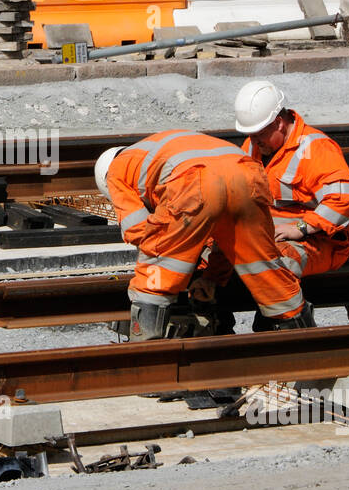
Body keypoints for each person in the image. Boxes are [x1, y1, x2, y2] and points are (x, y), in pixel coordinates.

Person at [95, 132, 314, 341]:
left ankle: (146, 351)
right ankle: (307, 346)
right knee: (263, 267)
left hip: (194, 179)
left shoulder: (115, 170)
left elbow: (139, 231)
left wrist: (173, 255)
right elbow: (228, 241)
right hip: (247, 174)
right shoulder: (158, 146)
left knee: (153, 276)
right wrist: (212, 278)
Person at [234, 80, 349, 282]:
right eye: (250, 135)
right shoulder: (252, 145)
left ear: (279, 123)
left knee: (272, 265)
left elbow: (343, 200)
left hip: (319, 241)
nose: (254, 141)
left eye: (259, 134)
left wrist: (300, 228)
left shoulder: (315, 149)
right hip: (271, 231)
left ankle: (289, 314)